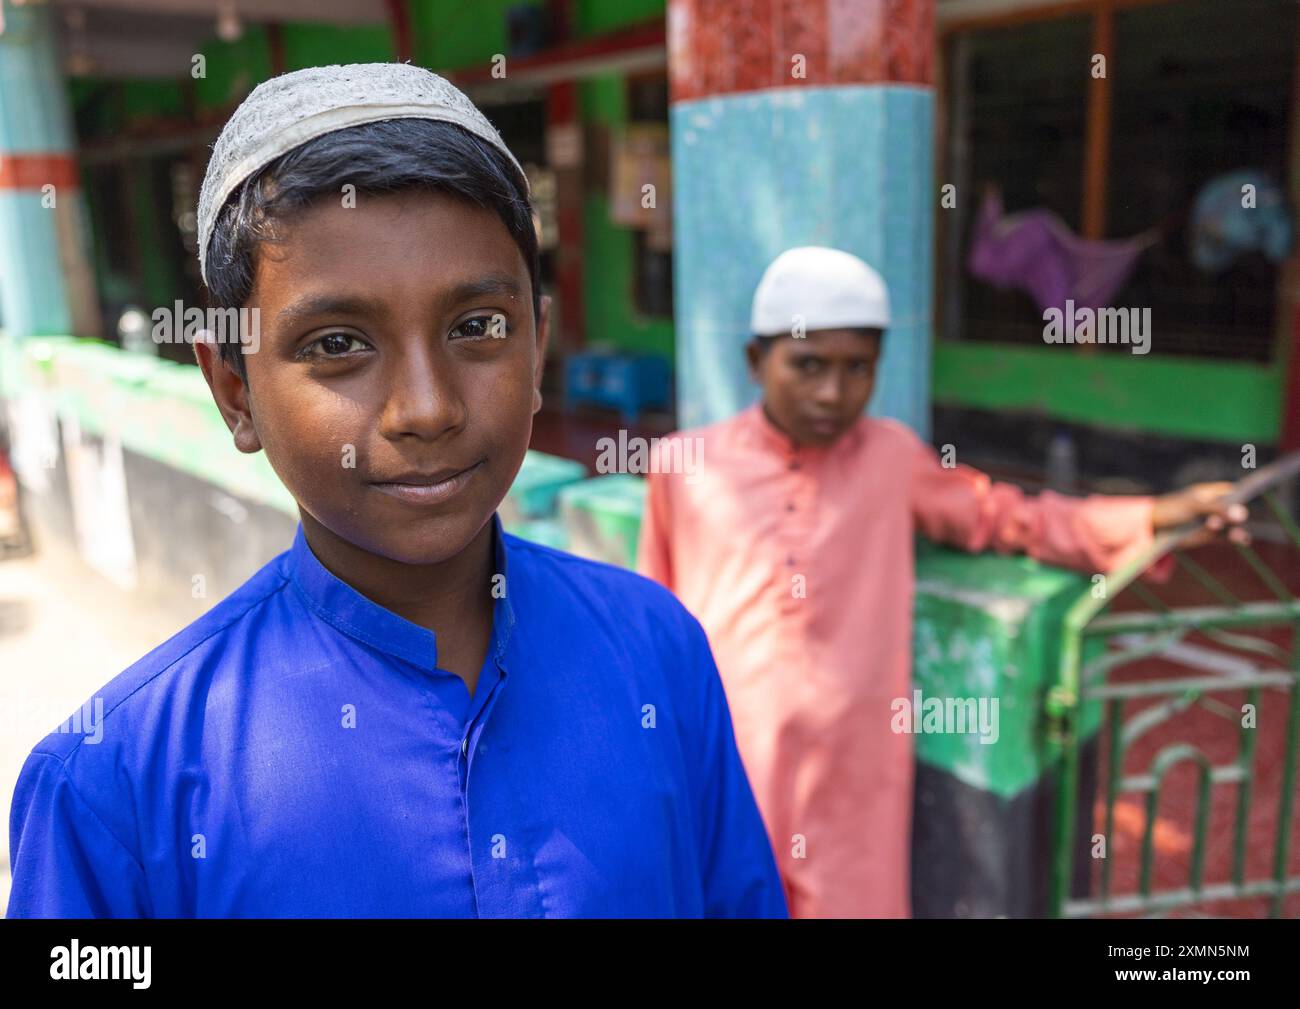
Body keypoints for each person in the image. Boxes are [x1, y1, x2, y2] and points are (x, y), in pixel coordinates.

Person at [7, 64, 786, 919]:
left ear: (538, 348)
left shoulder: (657, 650)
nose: (428, 408)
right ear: (235, 388)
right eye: (338, 342)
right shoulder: (115, 787)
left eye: (477, 327)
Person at [636, 246, 1247, 918]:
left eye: (856, 369)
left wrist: (1155, 514)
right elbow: (654, 630)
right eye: (807, 365)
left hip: (853, 780)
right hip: (727, 762)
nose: (832, 393)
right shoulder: (684, 467)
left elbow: (1008, 518)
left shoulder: (893, 458)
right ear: (757, 361)